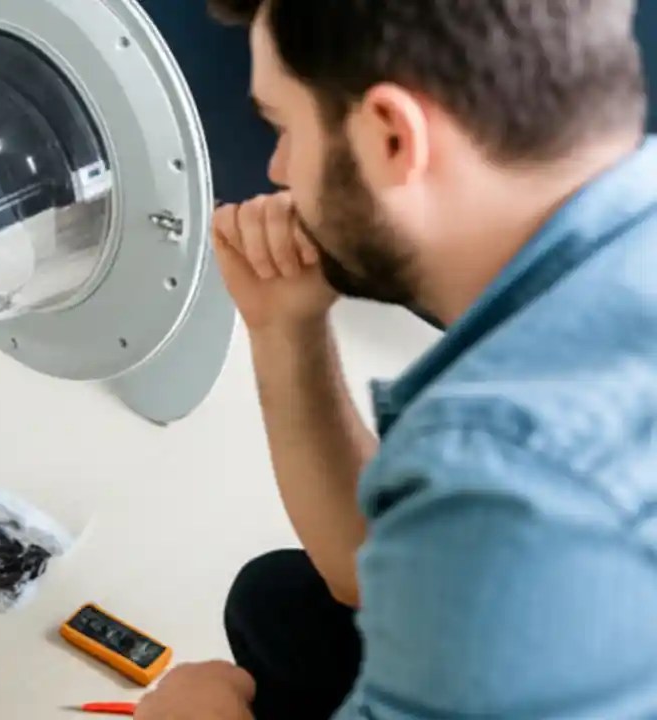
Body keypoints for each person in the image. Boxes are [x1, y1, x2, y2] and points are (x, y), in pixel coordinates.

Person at [134, 1, 657, 718]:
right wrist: (284, 330)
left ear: (390, 137)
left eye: (283, 127)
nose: (278, 170)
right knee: (284, 610)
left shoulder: (515, 488)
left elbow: (473, 541)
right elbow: (365, 573)